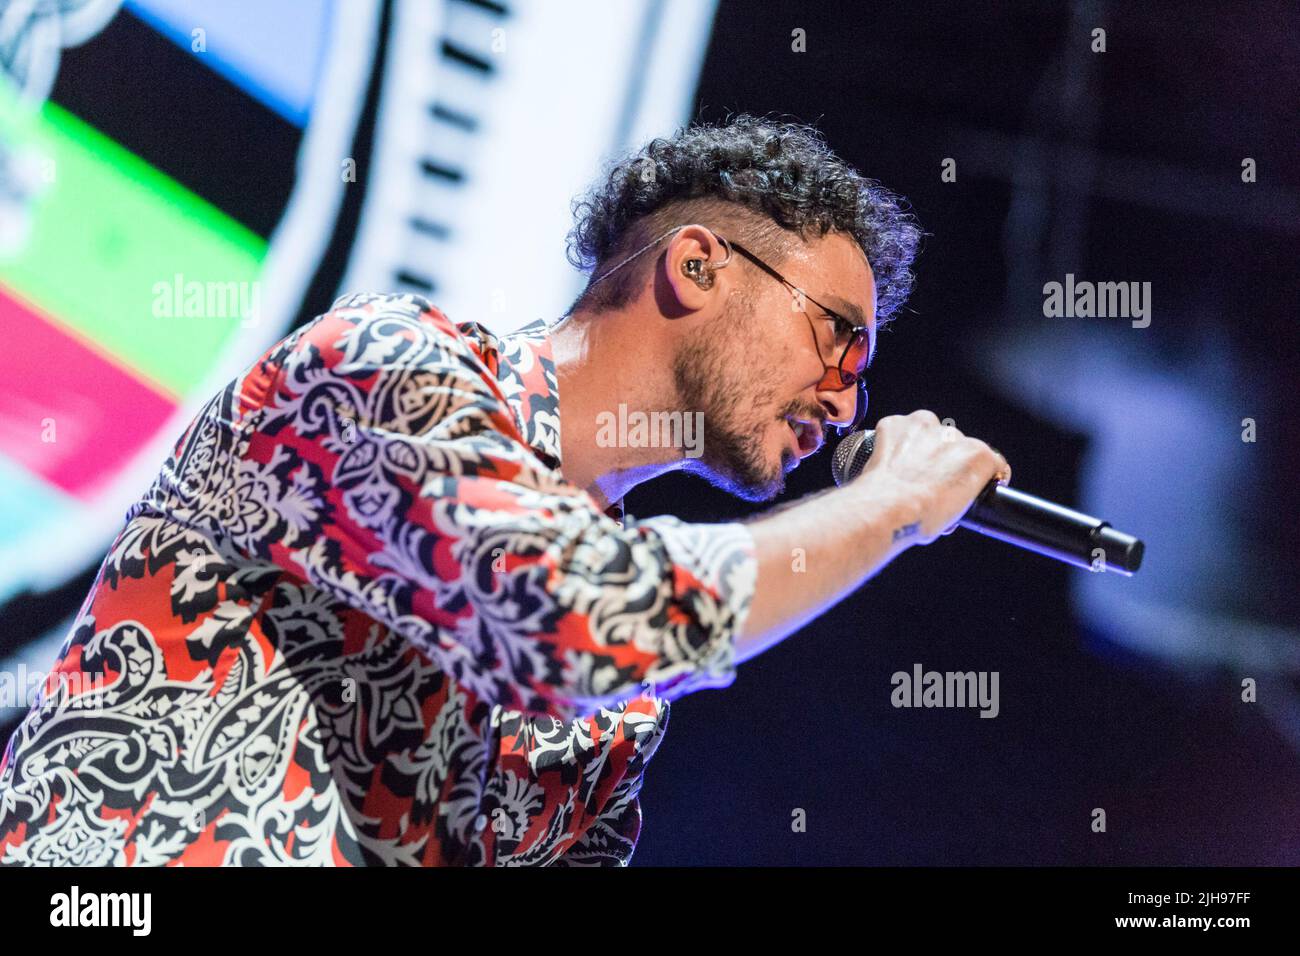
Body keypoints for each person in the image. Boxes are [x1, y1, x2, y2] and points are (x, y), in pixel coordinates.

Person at [0, 115, 1009, 866]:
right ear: (697, 265)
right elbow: (573, 613)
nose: (845, 401)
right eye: (838, 335)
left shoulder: (621, 709)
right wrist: (894, 503)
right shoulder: (385, 363)